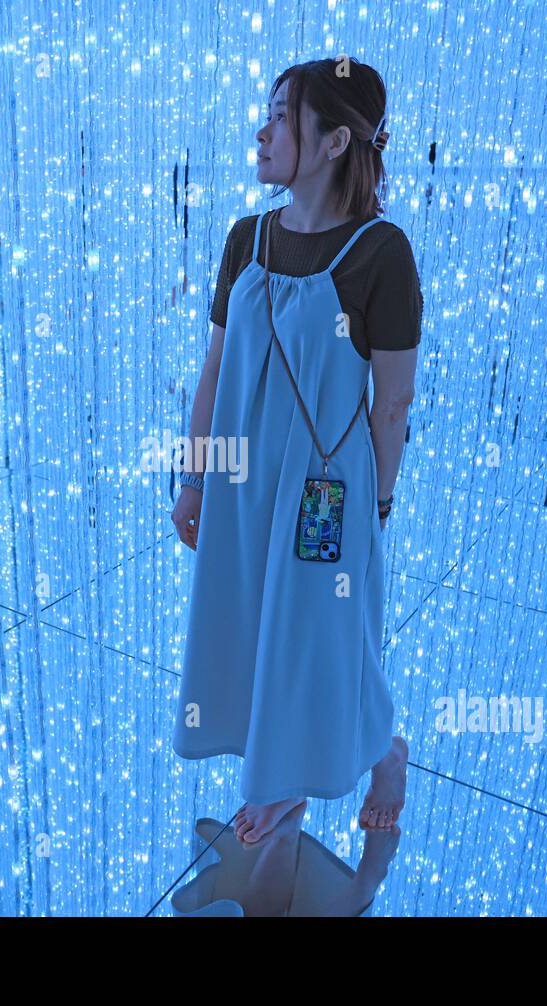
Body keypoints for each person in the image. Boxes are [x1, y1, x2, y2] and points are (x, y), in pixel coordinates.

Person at [171, 57, 421, 845]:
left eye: (282, 115)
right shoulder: (246, 239)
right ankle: (283, 764)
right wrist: (195, 480)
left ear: (336, 139)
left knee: (325, 632)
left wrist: (377, 503)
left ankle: (365, 759)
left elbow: (392, 405)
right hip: (244, 484)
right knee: (254, 623)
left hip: (325, 490)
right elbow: (214, 367)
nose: (263, 129)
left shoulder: (384, 255)